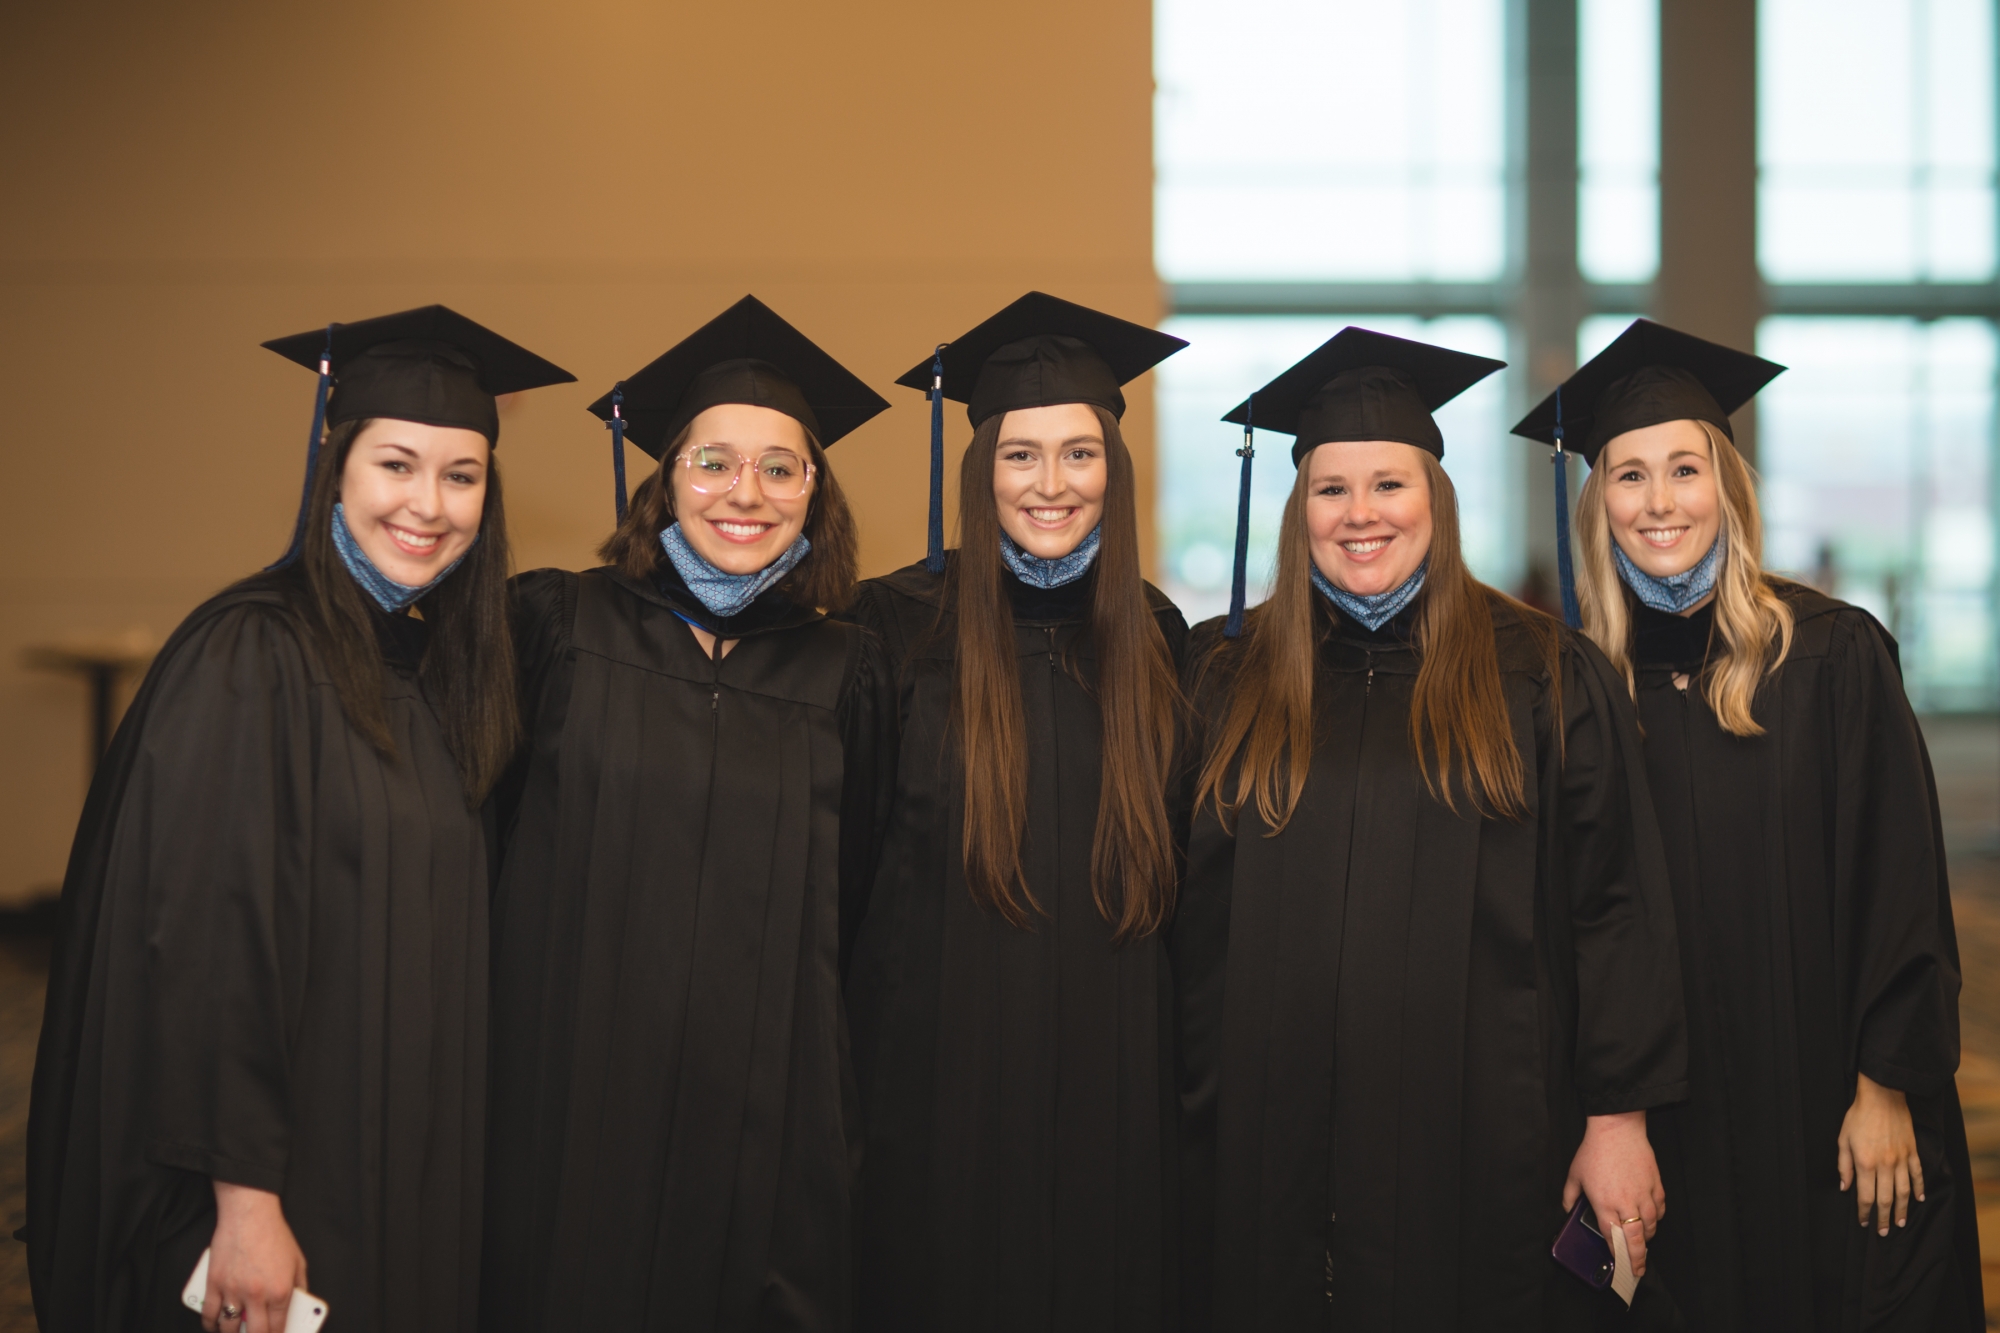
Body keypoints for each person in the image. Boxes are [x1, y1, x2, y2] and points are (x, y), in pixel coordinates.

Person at [24, 307, 574, 1333]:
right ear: (336, 464)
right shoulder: (253, 654)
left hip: (393, 1167)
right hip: (278, 1182)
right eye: (396, 465)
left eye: (462, 476)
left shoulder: (437, 673)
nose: (429, 505)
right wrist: (245, 1207)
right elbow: (205, 948)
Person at [1176, 327, 1688, 1331]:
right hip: (1266, 1137)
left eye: (1388, 485)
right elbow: (1179, 918)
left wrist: (1616, 1116)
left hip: (1483, 1128)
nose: (1359, 514)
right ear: (1297, 511)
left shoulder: (1541, 672)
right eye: (1330, 489)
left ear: (1434, 499)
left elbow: (1612, 901)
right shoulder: (1218, 679)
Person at [1515, 318, 1984, 1331]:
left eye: (1683, 468)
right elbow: (1561, 926)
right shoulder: (1570, 691)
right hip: (1657, 1111)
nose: (1657, 501)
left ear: (1725, 487)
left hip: (1821, 1096)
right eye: (1629, 475)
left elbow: (1896, 882)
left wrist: (1886, 1084)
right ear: (1599, 502)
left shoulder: (1828, 657)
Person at [481, 295, 897, 1331]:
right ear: (664, 478)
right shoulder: (556, 626)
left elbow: (863, 889)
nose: (742, 493)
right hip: (573, 1089)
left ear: (815, 488)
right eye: (711, 461)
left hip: (766, 1108)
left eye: (778, 465)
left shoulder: (850, 670)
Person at [843, 293, 1188, 1330]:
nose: (1050, 485)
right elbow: (842, 872)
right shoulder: (890, 629)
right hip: (936, 1086)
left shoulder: (1160, 639)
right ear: (978, 467)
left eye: (1079, 454)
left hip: (1116, 1087)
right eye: (1020, 454)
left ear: (1113, 474)